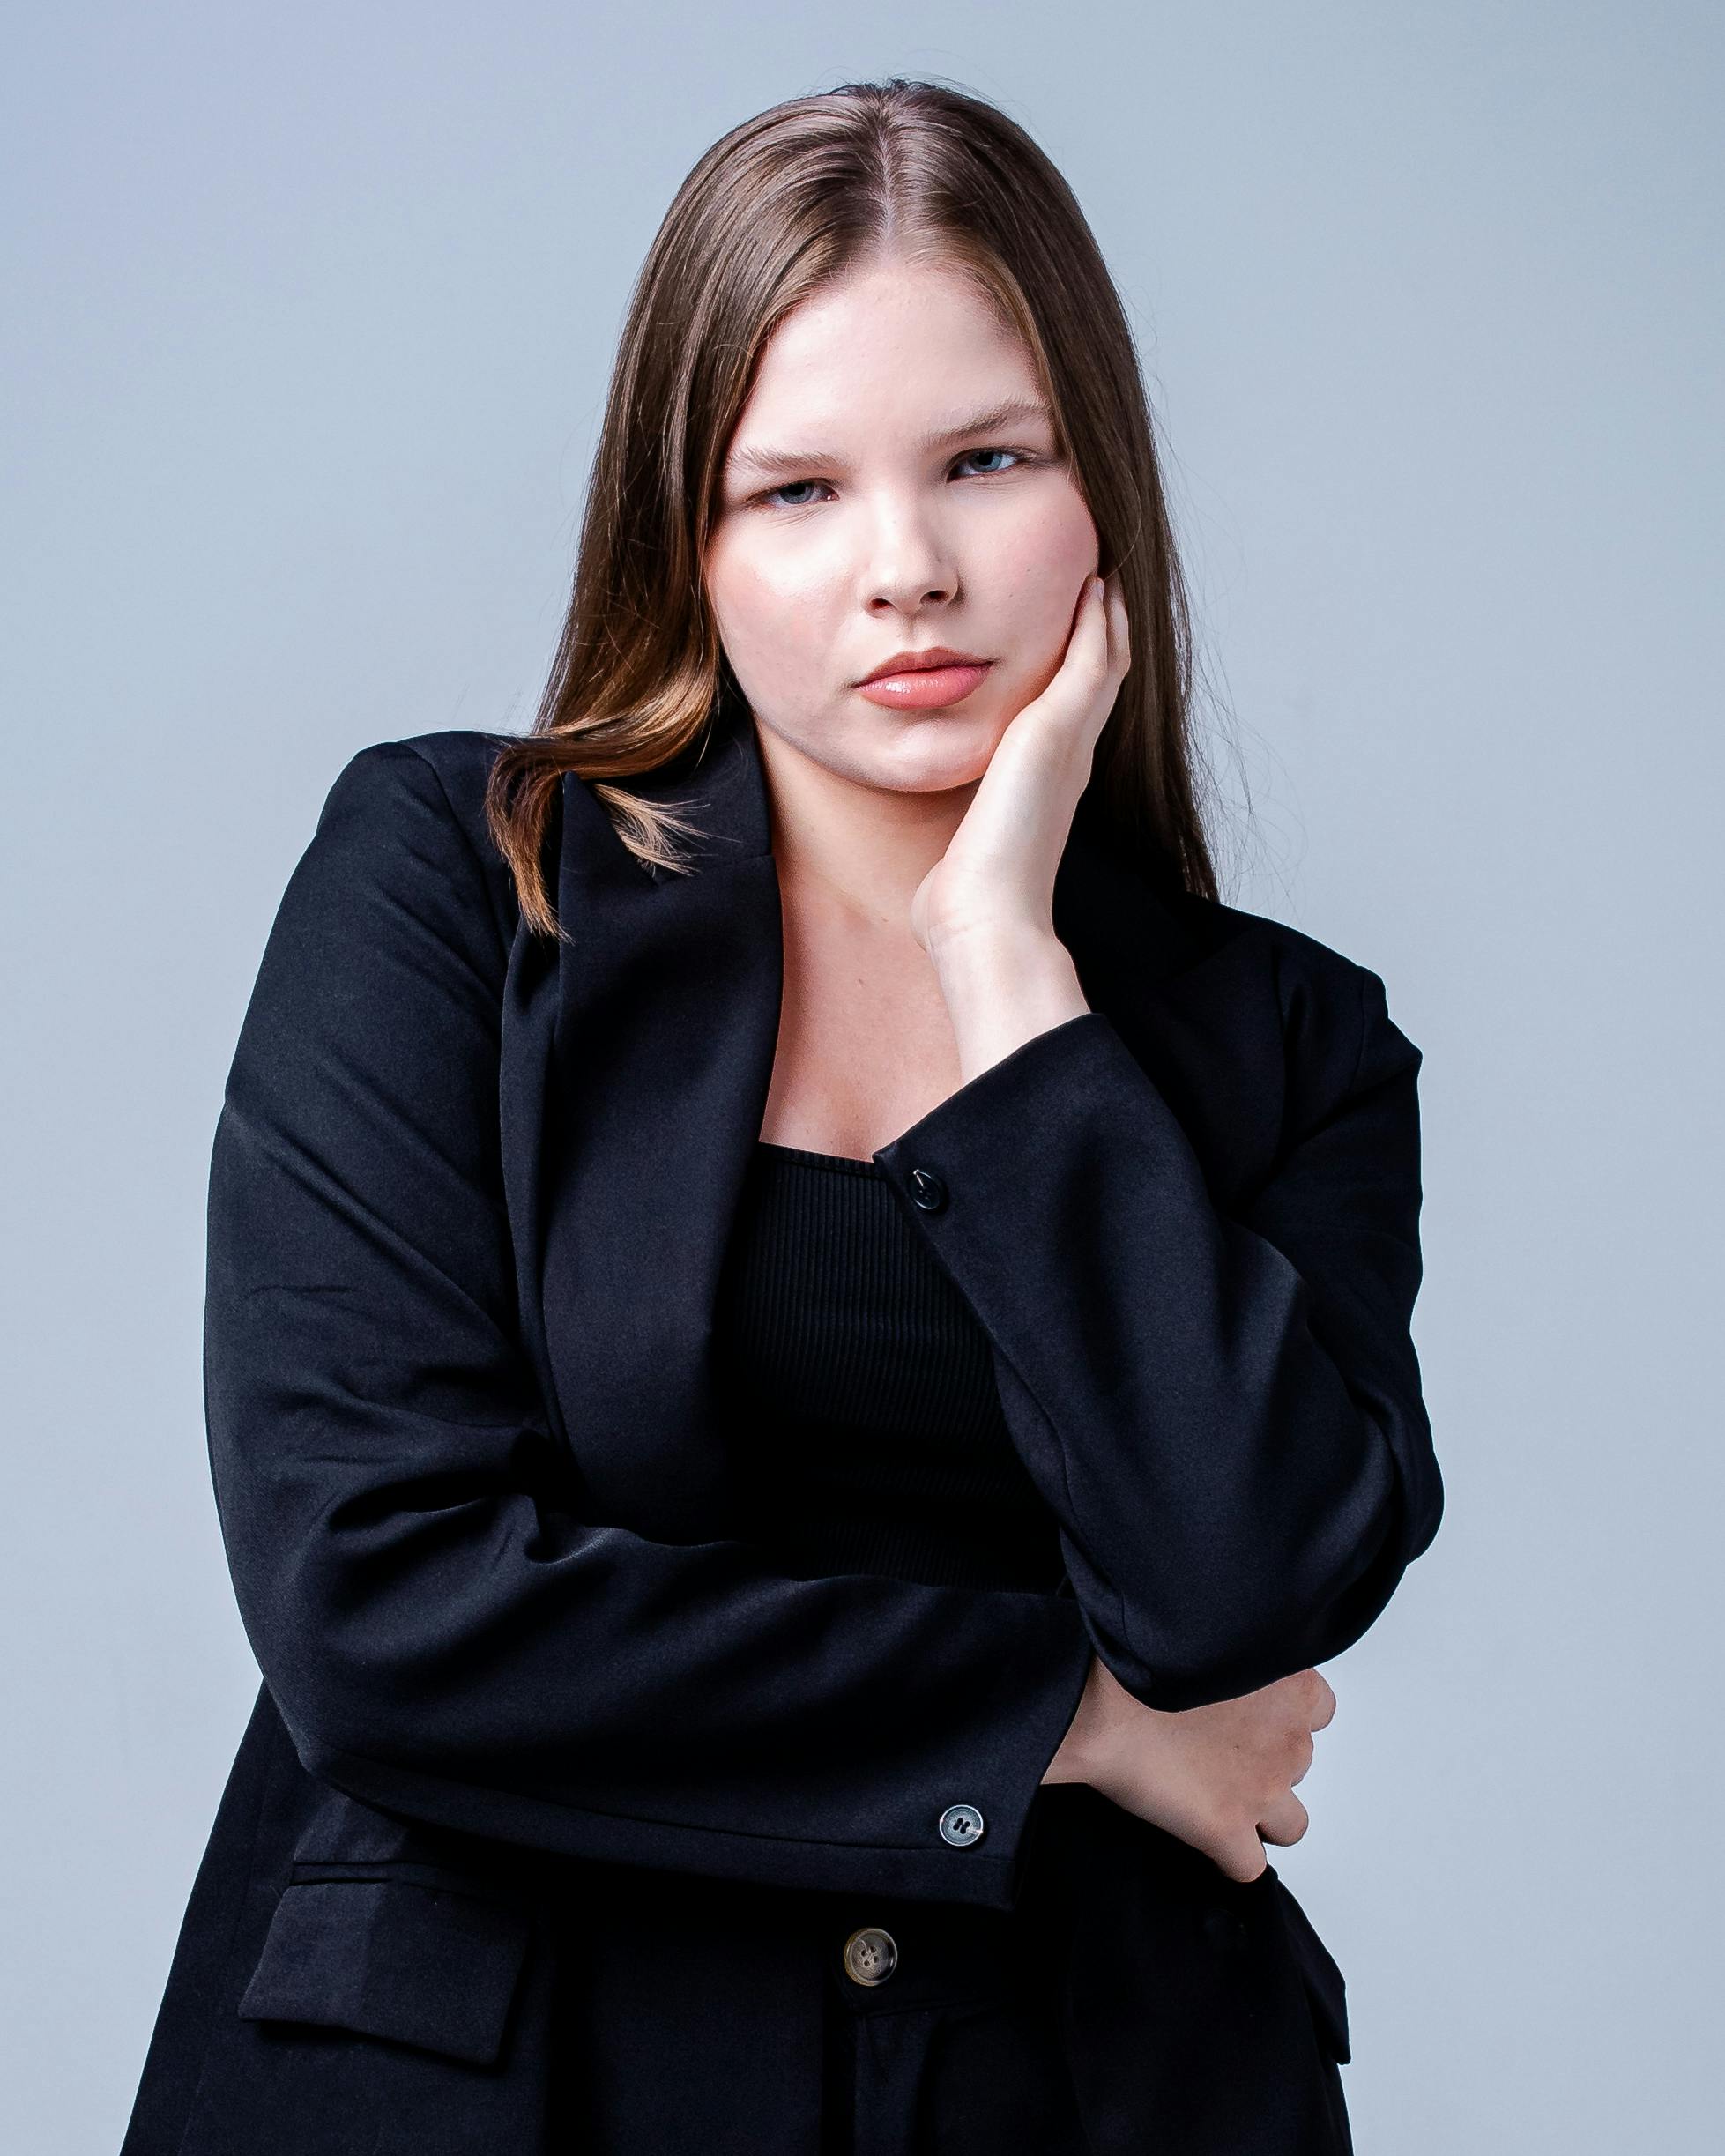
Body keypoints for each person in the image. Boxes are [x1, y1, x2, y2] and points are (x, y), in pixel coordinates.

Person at [121, 77, 1441, 2156]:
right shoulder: (460, 886)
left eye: (985, 461)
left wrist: (1006, 969)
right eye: (796, 490)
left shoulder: (1283, 1043)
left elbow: (1240, 1585)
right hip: (501, 2084)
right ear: (688, 536)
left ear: (1102, 489)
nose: (905, 569)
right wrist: (1068, 1717)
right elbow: (379, 1609)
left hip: (1075, 2086)